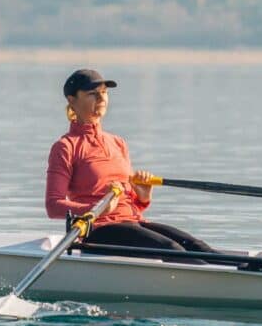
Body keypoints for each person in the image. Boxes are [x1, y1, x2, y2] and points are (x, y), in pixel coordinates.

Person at [45, 69, 215, 259]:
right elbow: (53, 206)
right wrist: (97, 207)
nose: (101, 99)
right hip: (99, 231)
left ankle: (232, 278)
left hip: (132, 222)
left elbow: (130, 202)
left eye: (104, 93)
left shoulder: (118, 143)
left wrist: (142, 196)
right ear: (72, 100)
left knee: (197, 247)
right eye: (92, 94)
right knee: (172, 249)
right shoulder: (65, 147)